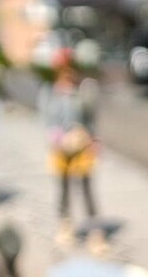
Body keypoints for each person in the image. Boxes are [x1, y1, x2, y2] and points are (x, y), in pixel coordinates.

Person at [42, 50, 108, 256]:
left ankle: (94, 232)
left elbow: (90, 119)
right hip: (61, 147)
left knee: (87, 188)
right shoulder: (50, 92)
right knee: (63, 188)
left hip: (82, 144)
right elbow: (47, 120)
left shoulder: (82, 92)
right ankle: (65, 226)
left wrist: (92, 139)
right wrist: (59, 138)